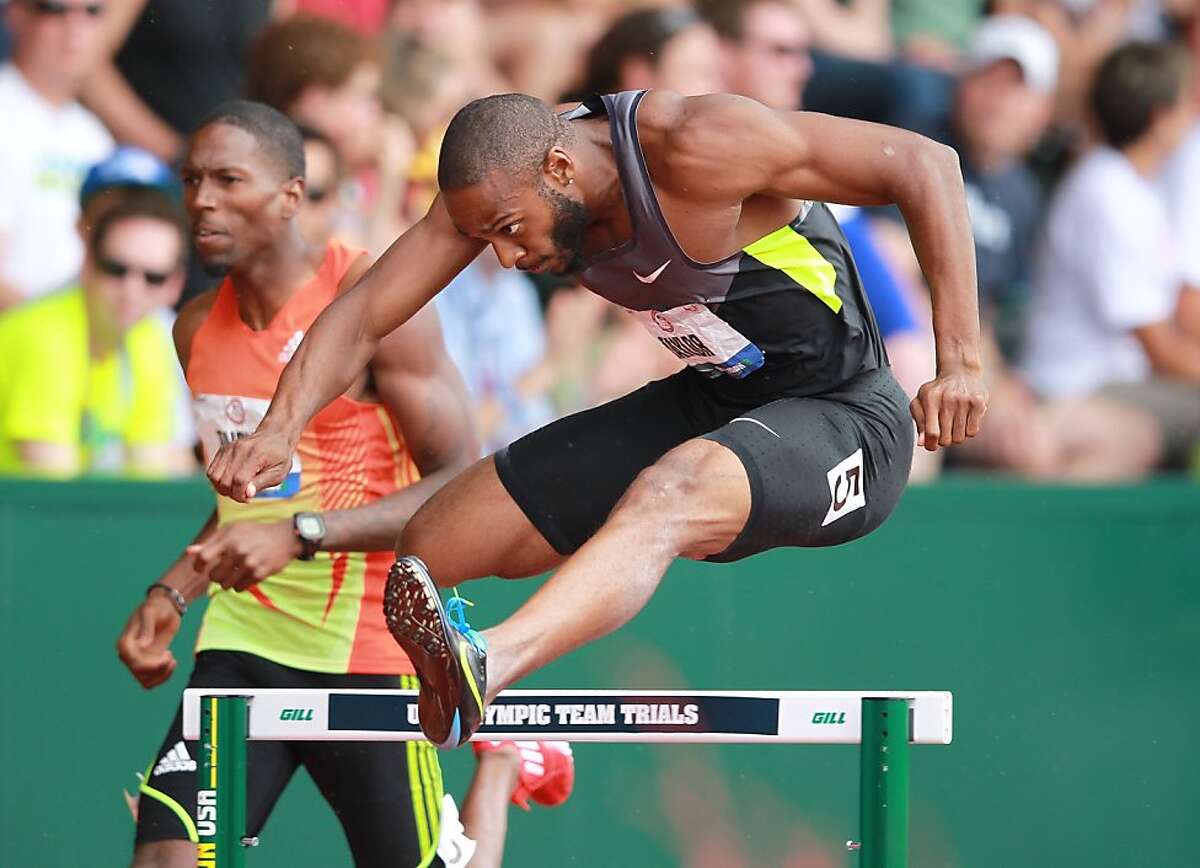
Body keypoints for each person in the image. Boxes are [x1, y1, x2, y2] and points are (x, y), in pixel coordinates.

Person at [206, 89, 988, 750]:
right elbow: (368, 310)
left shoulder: (696, 145)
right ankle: (451, 688)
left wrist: (961, 363)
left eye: (511, 232)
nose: (506, 259)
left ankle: (492, 661)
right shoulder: (500, 184)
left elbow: (926, 163)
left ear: (560, 168)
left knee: (673, 486)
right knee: (433, 543)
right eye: (487, 241)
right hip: (717, 398)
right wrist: (280, 425)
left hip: (845, 416)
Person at [115, 101, 570, 868]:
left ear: (292, 195)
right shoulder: (193, 325)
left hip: (370, 654)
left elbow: (461, 483)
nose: (201, 200)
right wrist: (171, 593)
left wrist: (299, 538)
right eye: (191, 179)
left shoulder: (372, 303)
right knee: (168, 858)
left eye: (229, 179)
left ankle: (499, 765)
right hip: (243, 646)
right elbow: (245, 505)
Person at [1017, 40, 1200, 477]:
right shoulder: (1107, 191)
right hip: (1070, 387)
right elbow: (1157, 345)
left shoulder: (1131, 187)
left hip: (1114, 383)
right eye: (1187, 103)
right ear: (1160, 118)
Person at [0, 188, 189, 477]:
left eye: (153, 277)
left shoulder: (149, 338)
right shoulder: (44, 335)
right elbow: (53, 489)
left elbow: (150, 473)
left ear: (174, 285)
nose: (132, 290)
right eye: (116, 269)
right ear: (87, 263)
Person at [0, 0, 114, 309]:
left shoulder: (94, 136)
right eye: (54, 10)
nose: (74, 28)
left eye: (92, 11)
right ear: (15, 15)